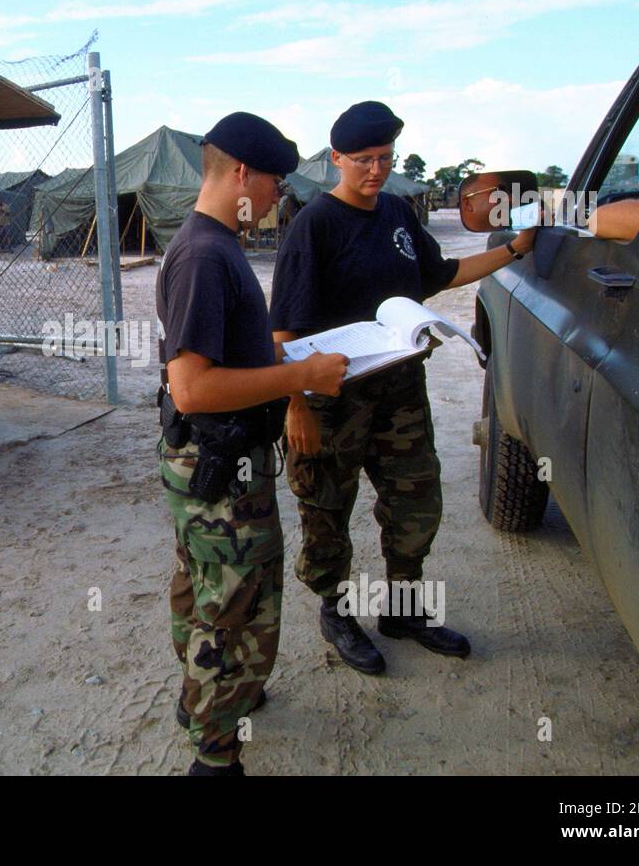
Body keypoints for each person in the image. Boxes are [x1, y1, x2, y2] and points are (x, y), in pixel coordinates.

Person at [269, 101, 535, 675]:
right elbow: (283, 330)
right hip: (332, 400)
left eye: (385, 158)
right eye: (363, 159)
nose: (376, 170)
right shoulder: (314, 225)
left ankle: (405, 610)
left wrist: (513, 250)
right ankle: (336, 612)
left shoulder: (396, 213)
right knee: (326, 511)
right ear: (336, 158)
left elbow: (440, 277)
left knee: (417, 503)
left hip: (399, 393)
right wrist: (296, 406)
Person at [157, 112, 348, 775]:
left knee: (203, 586)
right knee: (234, 610)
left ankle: (200, 704)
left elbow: (223, 355)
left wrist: (288, 361)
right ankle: (215, 756)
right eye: (273, 182)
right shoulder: (206, 255)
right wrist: (300, 377)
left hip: (220, 459)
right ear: (241, 173)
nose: (277, 196)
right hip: (222, 463)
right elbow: (191, 388)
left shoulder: (214, 244)